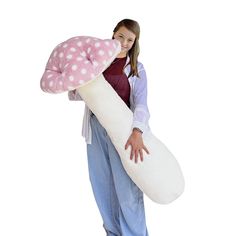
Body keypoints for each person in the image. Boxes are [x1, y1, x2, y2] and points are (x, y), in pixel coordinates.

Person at [68, 19, 150, 236]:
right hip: (95, 129)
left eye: (130, 40)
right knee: (102, 186)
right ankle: (113, 233)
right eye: (121, 36)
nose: (124, 42)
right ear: (113, 34)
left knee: (127, 190)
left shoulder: (136, 69)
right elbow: (76, 94)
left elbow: (141, 104)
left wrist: (137, 131)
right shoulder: (96, 64)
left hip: (123, 131)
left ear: (134, 43)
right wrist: (73, 81)